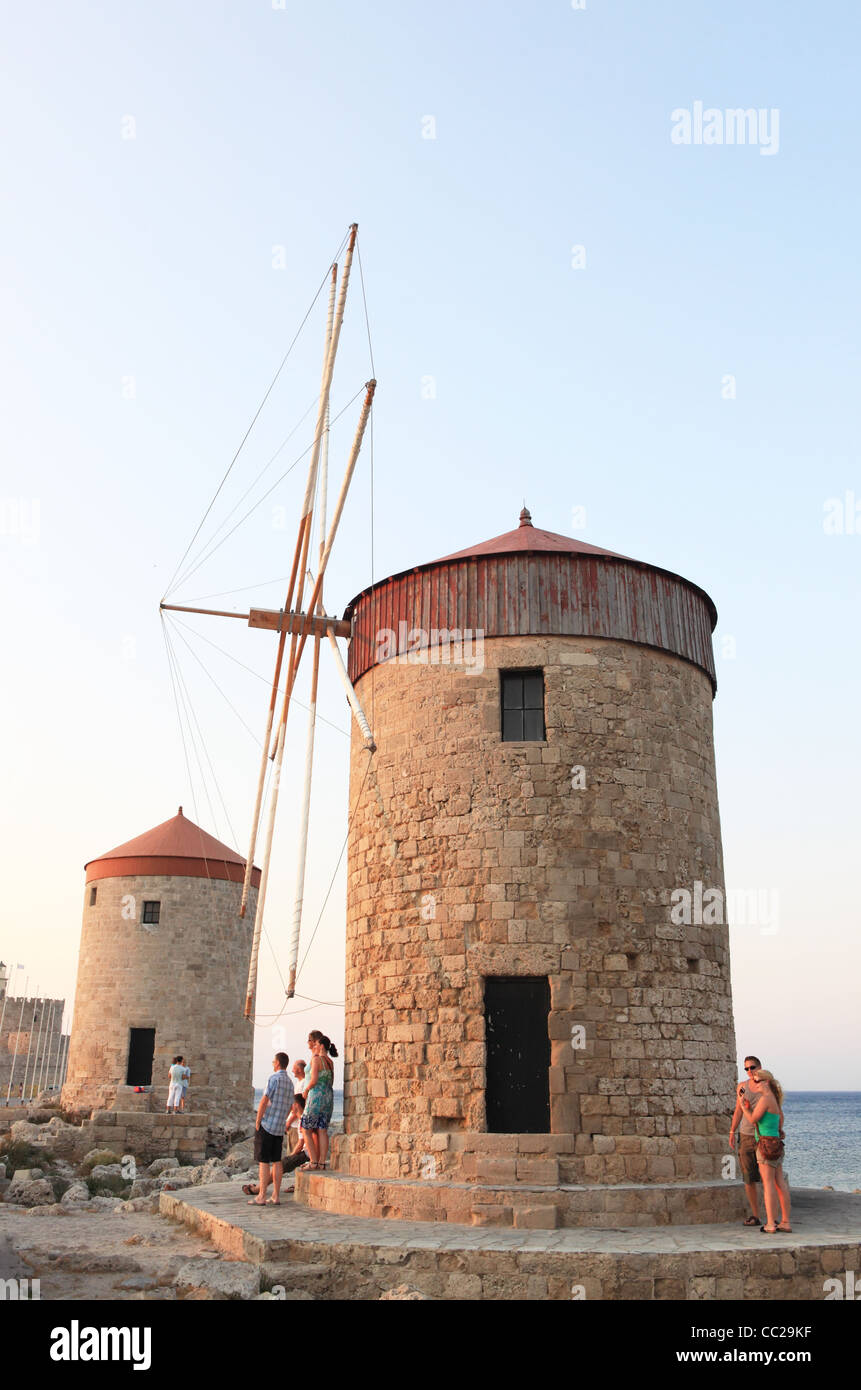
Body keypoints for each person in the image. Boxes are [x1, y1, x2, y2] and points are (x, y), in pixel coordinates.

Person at [741, 1069, 792, 1233]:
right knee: (780, 1184)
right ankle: (785, 1221)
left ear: (766, 1082)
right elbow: (779, 1120)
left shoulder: (765, 1099)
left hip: (765, 1147)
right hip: (776, 1144)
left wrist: (743, 1107)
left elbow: (752, 1119)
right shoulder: (775, 1099)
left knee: (768, 1184)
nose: (755, 1084)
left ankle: (770, 1223)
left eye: (757, 1081)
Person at [250, 1052, 294, 1206]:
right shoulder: (290, 1083)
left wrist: (258, 1120)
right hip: (279, 1127)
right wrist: (283, 1120)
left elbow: (264, 1101)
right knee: (277, 1161)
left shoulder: (274, 1078)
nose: (272, 1064)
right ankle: (275, 1195)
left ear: (277, 1063)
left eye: (273, 1061)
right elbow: (290, 1107)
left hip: (267, 1125)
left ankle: (261, 1196)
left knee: (263, 1161)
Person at [729, 1054, 764, 1226]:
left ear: (759, 1067)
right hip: (746, 1135)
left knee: (769, 1177)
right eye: (747, 1068)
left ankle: (774, 1215)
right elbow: (738, 1110)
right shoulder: (742, 1087)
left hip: (763, 1135)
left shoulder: (767, 1086)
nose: (749, 1071)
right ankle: (756, 1215)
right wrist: (732, 1131)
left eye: (752, 1067)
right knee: (749, 1178)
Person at [301, 1032, 338, 1170]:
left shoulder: (317, 1059)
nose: (314, 1046)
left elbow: (314, 1079)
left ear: (321, 1046)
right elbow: (331, 1081)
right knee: (322, 1130)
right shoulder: (330, 1062)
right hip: (329, 1097)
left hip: (316, 1097)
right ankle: (322, 1163)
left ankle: (313, 1161)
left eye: (316, 1044)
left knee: (306, 1128)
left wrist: (306, 1090)